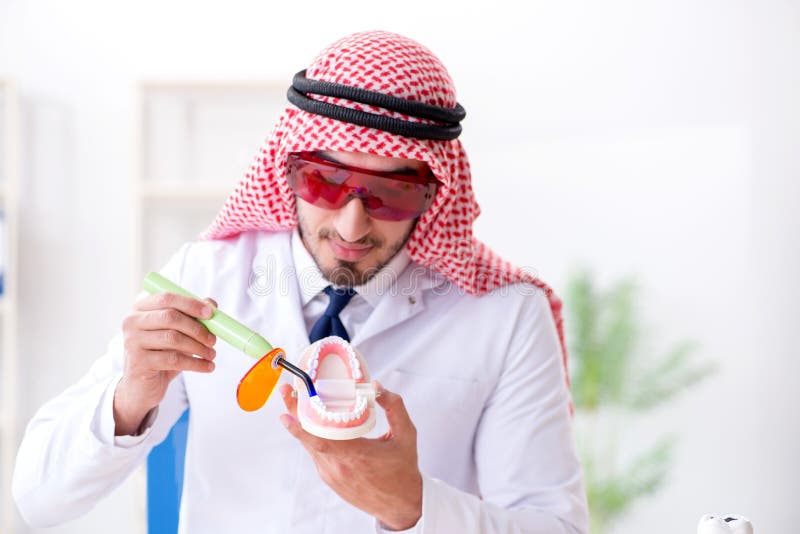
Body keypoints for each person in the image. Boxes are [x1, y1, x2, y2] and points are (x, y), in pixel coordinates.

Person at [13, 31, 589, 533]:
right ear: (287, 169)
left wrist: (415, 508)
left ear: (432, 192)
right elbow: (39, 500)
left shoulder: (505, 315)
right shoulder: (206, 279)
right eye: (325, 182)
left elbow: (553, 526)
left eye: (389, 193)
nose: (351, 223)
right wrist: (130, 395)